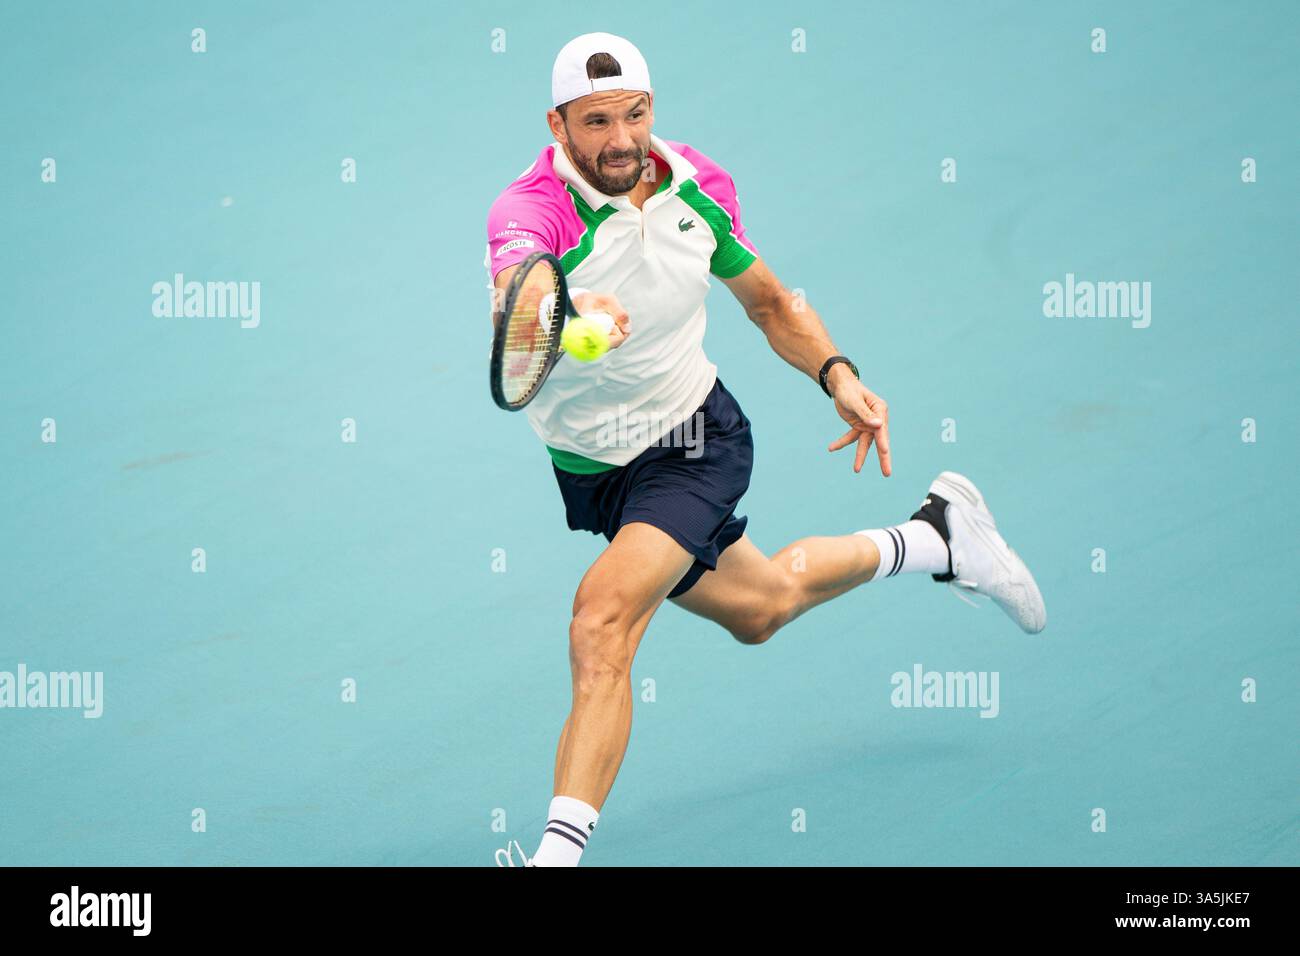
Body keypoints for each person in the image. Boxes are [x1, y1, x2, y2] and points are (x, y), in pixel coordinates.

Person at [485, 32, 1045, 867]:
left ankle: (555, 860)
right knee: (763, 608)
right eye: (595, 121)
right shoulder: (532, 211)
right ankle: (937, 537)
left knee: (602, 622)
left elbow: (770, 302)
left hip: (692, 441)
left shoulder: (697, 186)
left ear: (651, 110)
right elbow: (518, 290)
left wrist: (837, 372)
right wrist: (569, 307)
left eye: (634, 114)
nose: (620, 139)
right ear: (558, 124)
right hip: (596, 472)